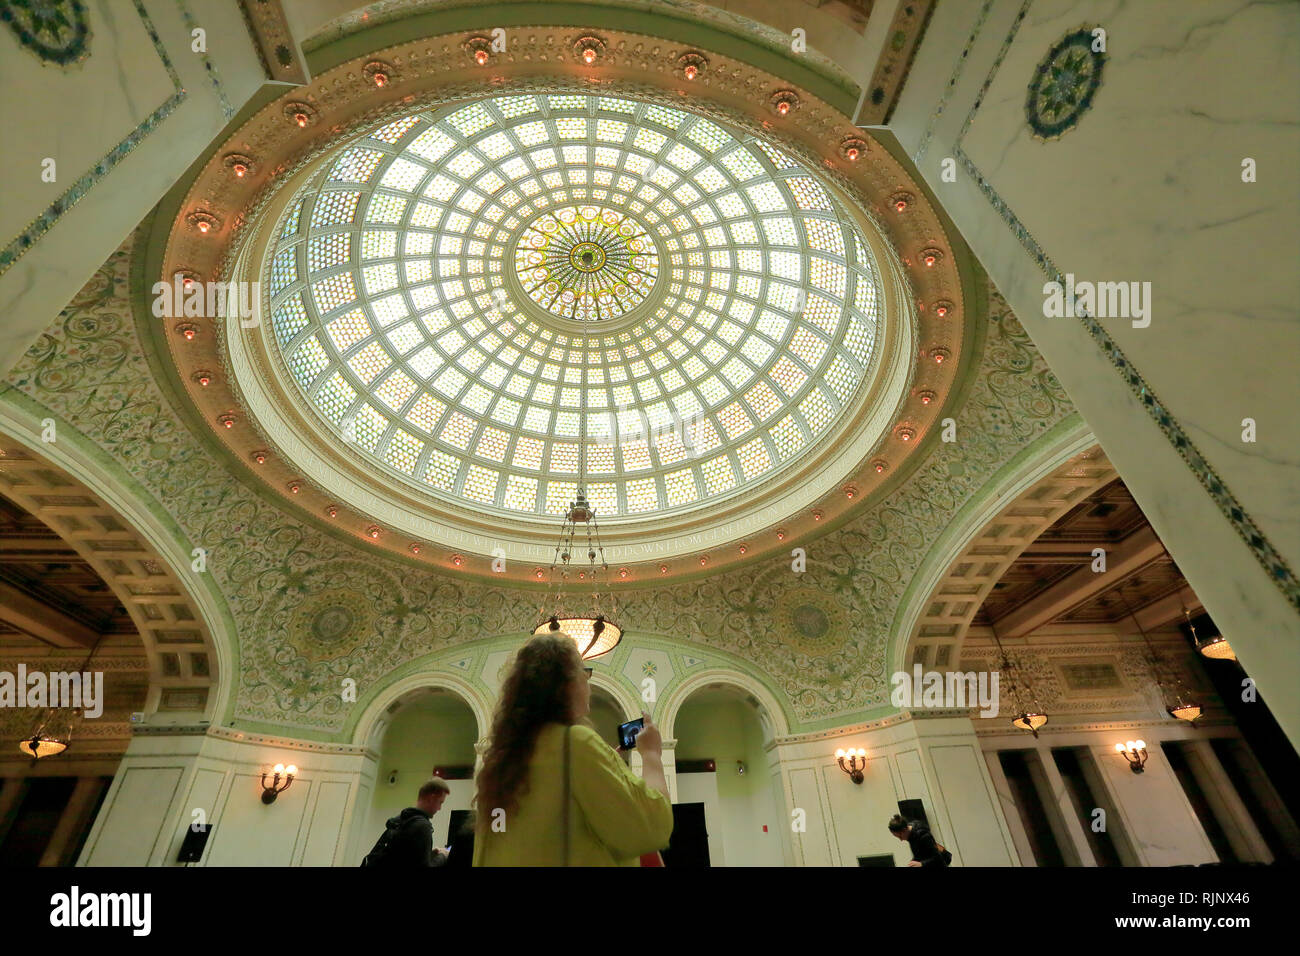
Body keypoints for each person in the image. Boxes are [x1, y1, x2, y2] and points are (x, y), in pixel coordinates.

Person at [473, 632, 674, 866]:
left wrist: (605, 766)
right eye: (584, 672)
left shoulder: (500, 760)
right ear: (567, 683)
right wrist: (651, 755)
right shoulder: (575, 744)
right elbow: (650, 829)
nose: (587, 682)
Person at [361, 777, 450, 867]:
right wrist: (443, 856)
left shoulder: (399, 820)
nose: (439, 808)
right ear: (431, 798)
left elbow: (400, 857)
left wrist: (428, 855)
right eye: (440, 802)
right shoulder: (422, 827)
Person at [888, 813, 952, 867]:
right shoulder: (910, 833)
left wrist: (921, 864)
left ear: (904, 830)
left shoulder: (923, 835)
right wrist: (913, 862)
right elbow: (920, 853)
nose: (901, 840)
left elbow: (937, 858)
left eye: (900, 836)